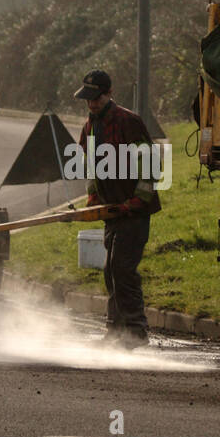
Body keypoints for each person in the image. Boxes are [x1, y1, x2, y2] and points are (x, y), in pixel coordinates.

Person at [74, 69, 161, 348]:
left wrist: (134, 203)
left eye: (96, 98)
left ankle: (135, 332)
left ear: (109, 94)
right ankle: (115, 332)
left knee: (123, 270)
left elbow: (150, 167)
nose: (91, 104)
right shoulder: (89, 127)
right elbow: (90, 168)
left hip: (134, 211)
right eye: (88, 99)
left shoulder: (128, 122)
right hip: (112, 211)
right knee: (110, 271)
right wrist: (93, 201)